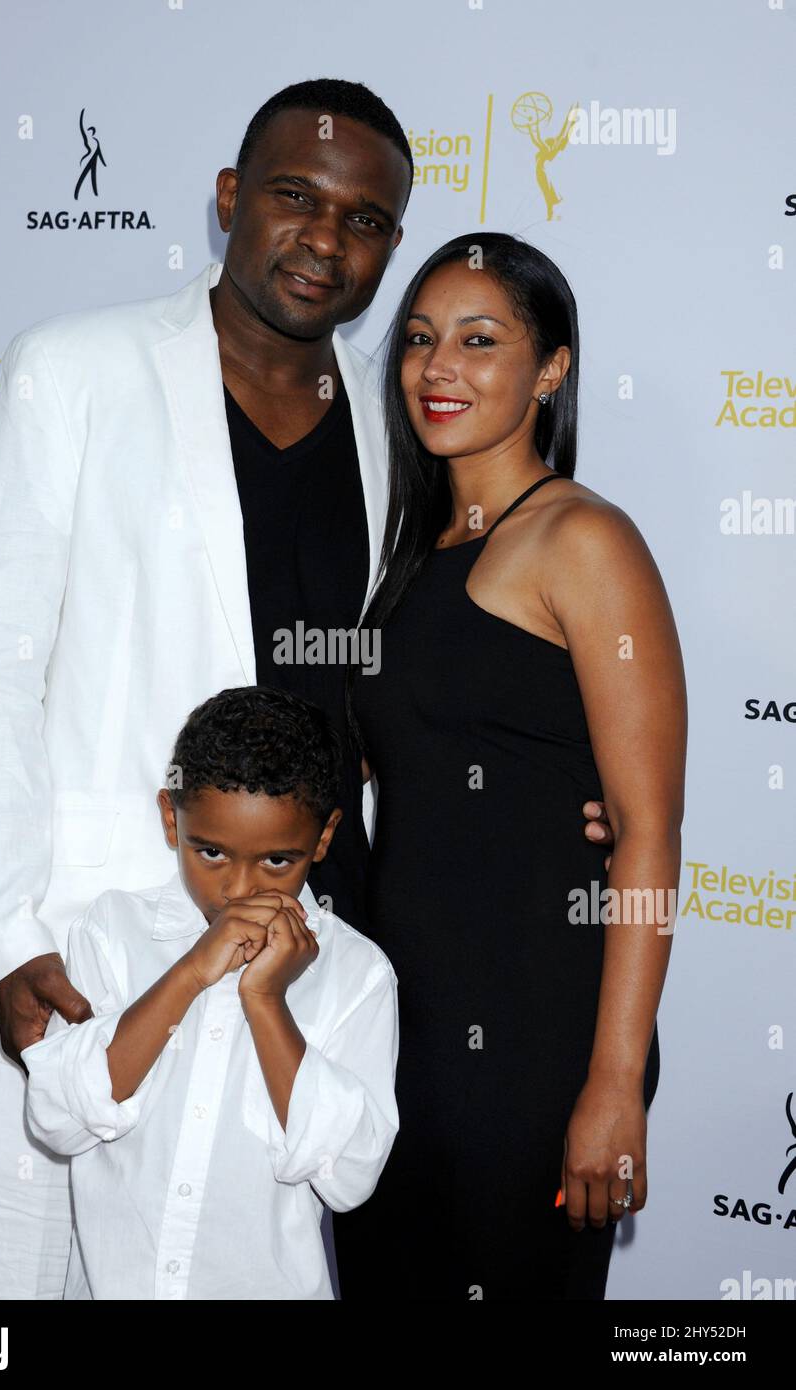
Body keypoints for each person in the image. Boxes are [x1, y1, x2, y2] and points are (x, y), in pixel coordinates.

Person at [0, 78, 613, 1300]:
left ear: (390, 248)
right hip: (80, 964)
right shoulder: (69, 370)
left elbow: (389, 679)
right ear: (231, 199)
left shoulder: (394, 432)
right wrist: (2, 934)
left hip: (294, 975)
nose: (324, 238)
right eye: (296, 197)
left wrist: (558, 801)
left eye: (362, 219)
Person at [332, 233, 687, 1301]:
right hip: (404, 1027)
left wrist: (615, 1081)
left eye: (481, 341)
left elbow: (648, 832)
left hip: (539, 1030)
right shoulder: (404, 553)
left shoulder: (584, 539)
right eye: (421, 341)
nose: (440, 369)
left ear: (552, 369)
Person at [20, 686, 398, 1300]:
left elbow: (350, 1177)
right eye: (212, 852)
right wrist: (191, 972)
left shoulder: (357, 974)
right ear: (172, 819)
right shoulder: (114, 932)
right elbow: (58, 1117)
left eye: (277, 861)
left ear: (325, 838)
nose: (239, 889)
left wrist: (267, 1002)